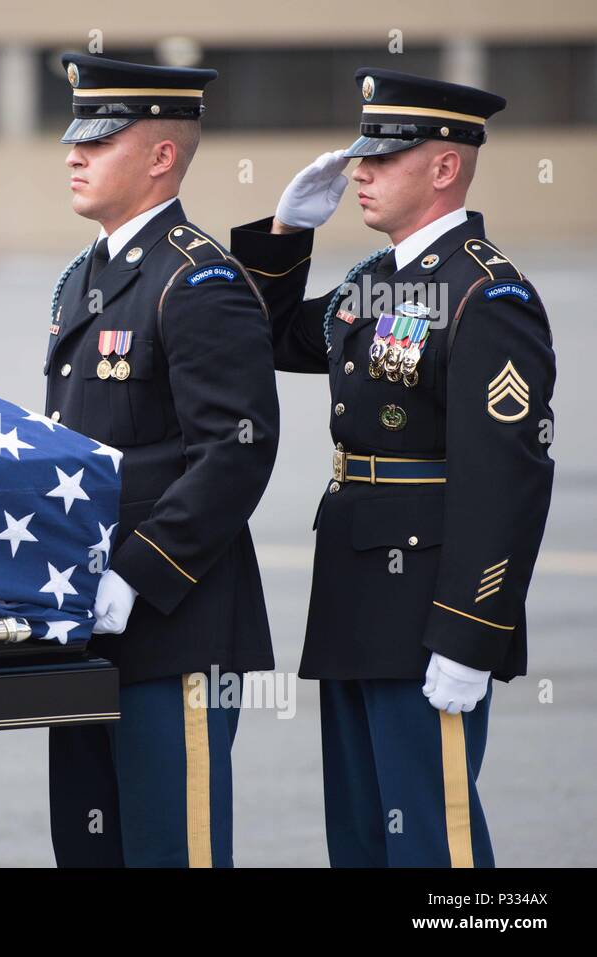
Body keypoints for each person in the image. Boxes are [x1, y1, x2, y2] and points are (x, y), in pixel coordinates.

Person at [230, 68, 556, 867]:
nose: (359, 173)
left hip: (428, 612)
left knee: (432, 841)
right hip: (353, 596)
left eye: (382, 158)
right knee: (364, 838)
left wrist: (471, 633)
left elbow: (505, 479)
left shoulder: (487, 295)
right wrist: (284, 235)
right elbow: (262, 339)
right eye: (360, 157)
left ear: (444, 168)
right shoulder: (376, 283)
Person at [44, 53, 279, 867]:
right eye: (73, 138)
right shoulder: (87, 276)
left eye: (97, 142)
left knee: (168, 850)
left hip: (173, 627)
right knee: (90, 849)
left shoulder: (197, 279)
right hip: (88, 621)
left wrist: (138, 572)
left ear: (160, 156)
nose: (72, 154)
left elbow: (236, 453)